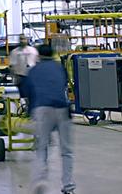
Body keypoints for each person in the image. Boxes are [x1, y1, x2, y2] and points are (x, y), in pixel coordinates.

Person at [20, 44, 74, 194]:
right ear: (52, 54)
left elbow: (28, 93)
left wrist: (31, 112)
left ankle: (40, 181)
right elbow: (63, 87)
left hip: (42, 109)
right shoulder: (60, 68)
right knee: (66, 150)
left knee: (42, 147)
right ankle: (68, 186)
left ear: (38, 55)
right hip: (62, 108)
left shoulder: (33, 71)